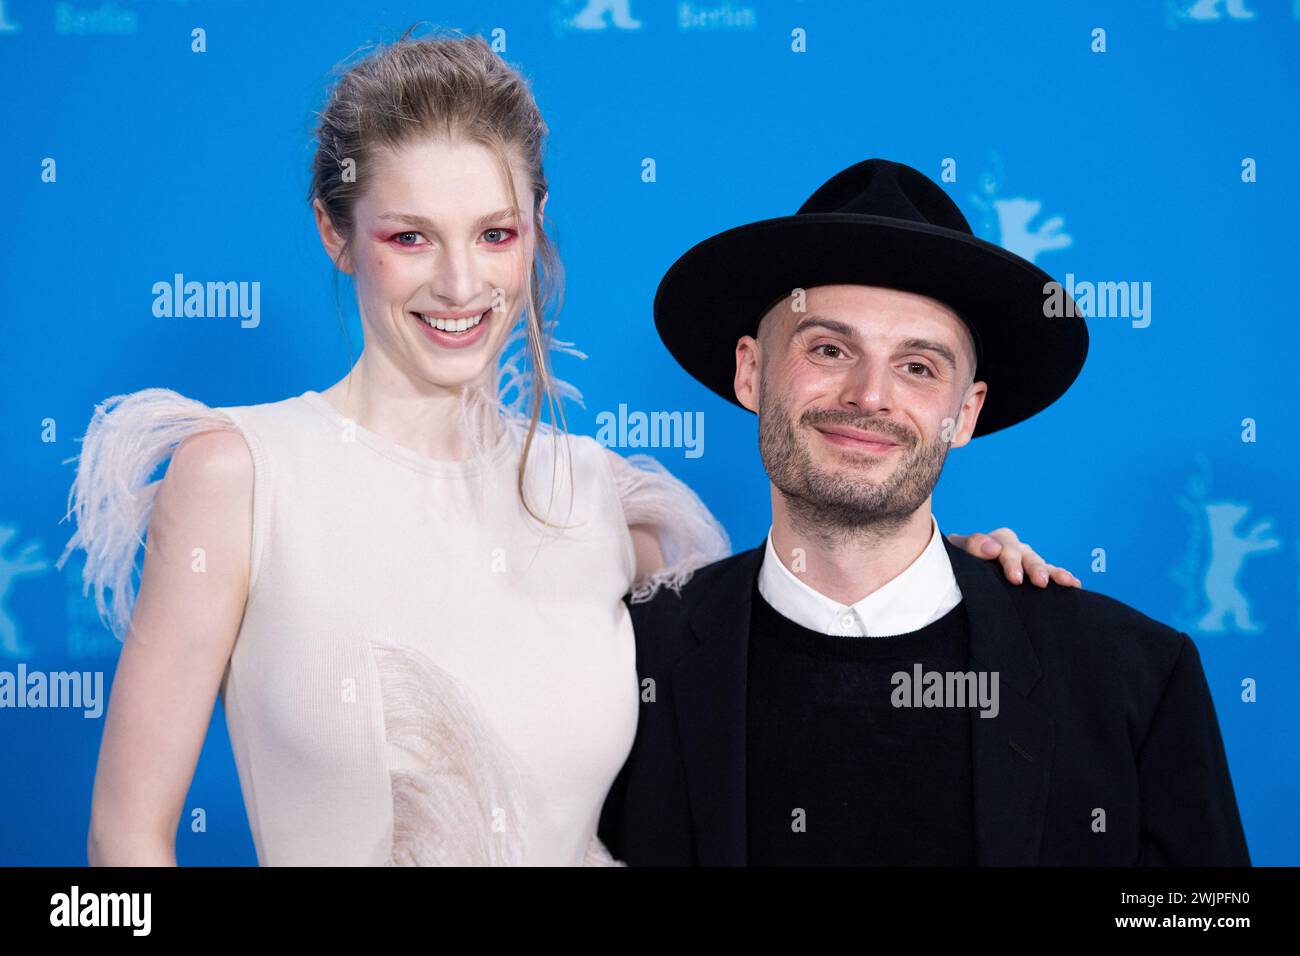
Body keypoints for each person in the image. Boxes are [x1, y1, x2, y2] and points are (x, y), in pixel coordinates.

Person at [55, 33, 1076, 867]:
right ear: (335, 229)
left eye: (494, 234)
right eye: (409, 237)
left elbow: (799, 659)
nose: (460, 285)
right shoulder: (239, 476)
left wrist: (950, 587)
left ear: (535, 226)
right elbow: (126, 841)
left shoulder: (612, 504)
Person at [598, 158, 1251, 866]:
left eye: (918, 366)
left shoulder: (1130, 677)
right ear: (751, 372)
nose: (870, 395)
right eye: (828, 348)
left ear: (965, 412)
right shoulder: (623, 659)